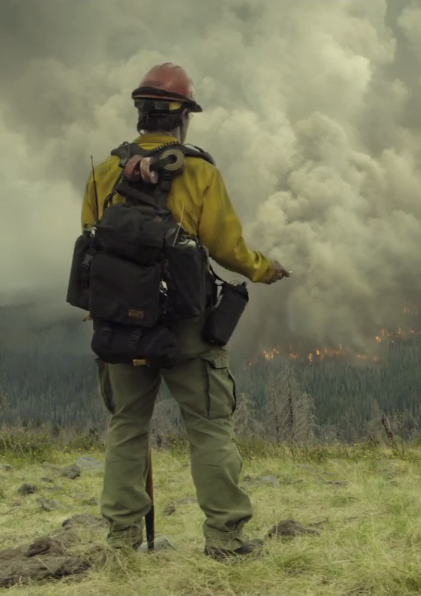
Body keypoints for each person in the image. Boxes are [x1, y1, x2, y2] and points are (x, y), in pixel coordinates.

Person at [79, 62, 290, 559]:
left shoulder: (105, 172)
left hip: (119, 328)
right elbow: (226, 248)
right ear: (182, 117)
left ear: (140, 114)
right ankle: (225, 539)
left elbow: (91, 240)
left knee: (127, 427)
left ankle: (122, 542)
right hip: (185, 328)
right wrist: (265, 269)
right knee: (209, 427)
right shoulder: (199, 172)